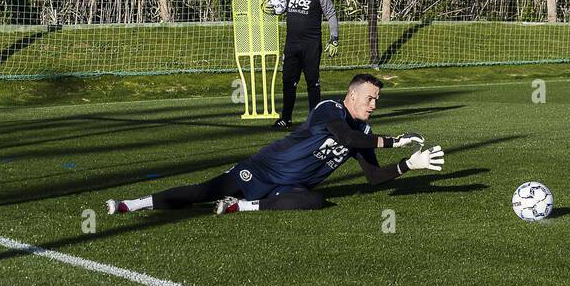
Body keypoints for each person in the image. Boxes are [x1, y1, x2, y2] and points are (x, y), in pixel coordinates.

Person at [106, 74, 444, 215]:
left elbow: (372, 177)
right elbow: (345, 138)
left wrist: (407, 166)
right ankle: (132, 205)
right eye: (370, 98)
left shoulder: (364, 131)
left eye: (377, 100)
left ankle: (243, 208)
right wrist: (394, 141)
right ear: (353, 94)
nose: (373, 105)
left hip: (290, 186)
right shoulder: (330, 109)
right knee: (203, 191)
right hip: (262, 170)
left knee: (315, 201)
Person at [269, 0, 339, 130]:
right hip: (291, 46)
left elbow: (331, 14)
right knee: (288, 81)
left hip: (311, 46)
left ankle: (313, 120)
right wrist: (272, 7)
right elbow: (277, 4)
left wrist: (334, 37)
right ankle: (286, 118)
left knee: (312, 82)